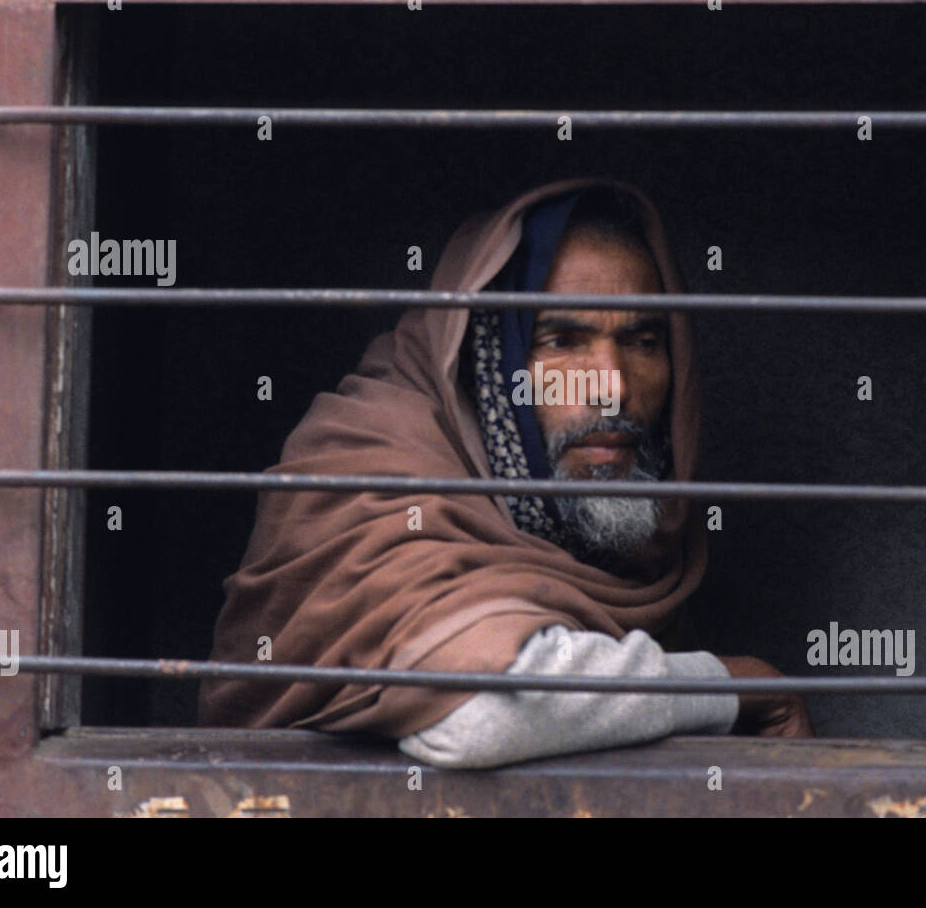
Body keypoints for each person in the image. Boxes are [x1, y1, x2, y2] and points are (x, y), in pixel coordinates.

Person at [197, 178, 812, 767]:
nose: (612, 388)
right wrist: (728, 685)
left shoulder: (641, 553)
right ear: (490, 359)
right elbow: (482, 710)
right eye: (563, 340)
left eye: (643, 342)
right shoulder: (367, 455)